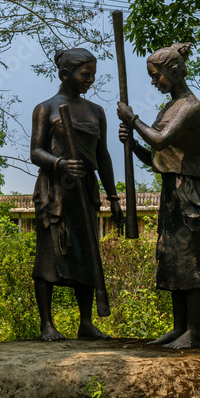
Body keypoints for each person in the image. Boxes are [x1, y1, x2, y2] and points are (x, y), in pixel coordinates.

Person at [117, 43, 200, 349]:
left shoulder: (190, 106)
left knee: (191, 260)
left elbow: (160, 140)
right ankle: (178, 328)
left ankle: (194, 333)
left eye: (155, 75)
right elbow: (162, 157)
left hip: (193, 193)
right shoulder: (170, 107)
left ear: (173, 72)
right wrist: (133, 146)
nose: (153, 82)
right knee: (172, 259)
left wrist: (133, 120)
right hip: (173, 190)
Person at [30, 48, 123, 341]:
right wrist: (58, 163)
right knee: (49, 254)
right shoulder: (45, 108)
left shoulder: (96, 111)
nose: (90, 80)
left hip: (84, 189)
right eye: (86, 74)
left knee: (87, 253)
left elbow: (103, 156)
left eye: (93, 75)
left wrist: (114, 197)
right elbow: (35, 151)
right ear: (65, 74)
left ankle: (86, 322)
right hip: (56, 191)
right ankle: (47, 323)